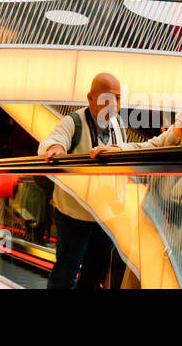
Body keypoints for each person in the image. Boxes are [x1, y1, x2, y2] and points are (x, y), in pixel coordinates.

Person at [38, 72, 124, 289]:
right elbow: (53, 141)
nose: (113, 104)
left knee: (95, 273)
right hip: (73, 213)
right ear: (90, 98)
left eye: (118, 98)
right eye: (107, 97)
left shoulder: (117, 126)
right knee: (66, 271)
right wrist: (55, 149)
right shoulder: (73, 122)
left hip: (103, 215)